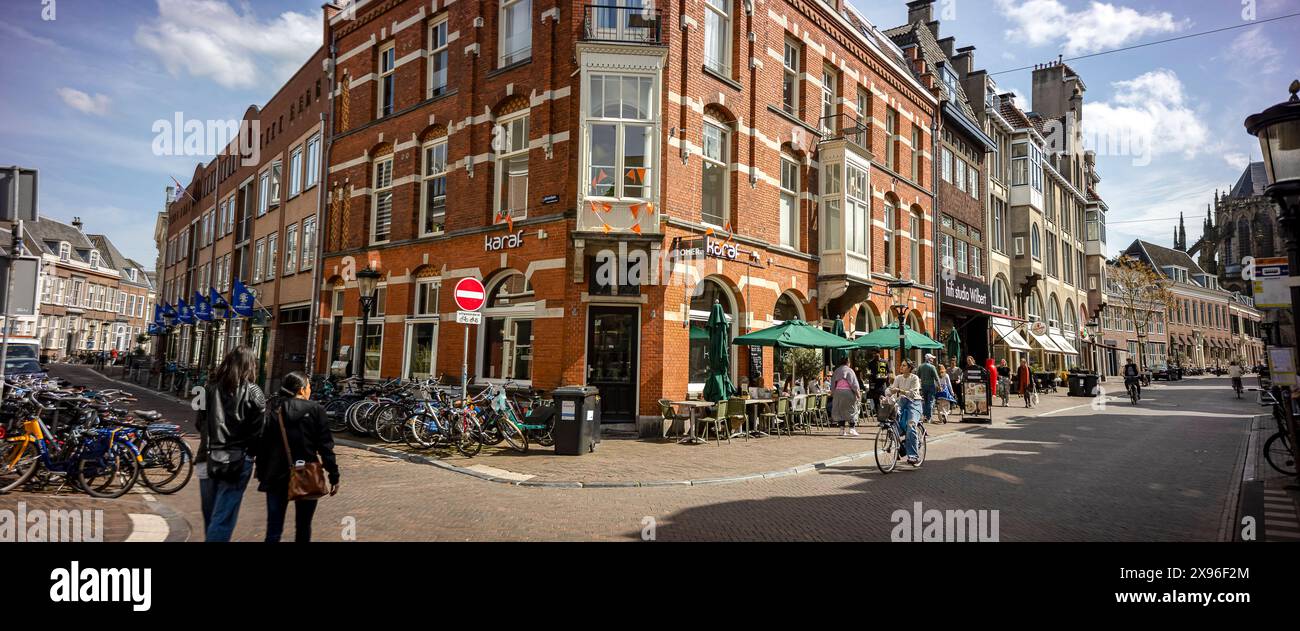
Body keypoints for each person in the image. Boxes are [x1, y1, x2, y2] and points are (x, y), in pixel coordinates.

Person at [257, 371, 340, 542]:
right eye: (309, 386)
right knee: (303, 526)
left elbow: (263, 445)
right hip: (306, 475)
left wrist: (261, 472)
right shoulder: (316, 410)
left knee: (273, 528)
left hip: (275, 476)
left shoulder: (274, 409)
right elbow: (326, 448)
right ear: (302, 390)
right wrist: (334, 475)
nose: (310, 390)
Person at [196, 347, 266, 542]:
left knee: (211, 518)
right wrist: (251, 454)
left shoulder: (205, 387)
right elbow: (258, 431)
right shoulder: (255, 392)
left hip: (206, 457)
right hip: (237, 459)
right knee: (223, 517)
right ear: (251, 365)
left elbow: (198, 421)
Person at [889, 360, 923, 466]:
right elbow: (891, 390)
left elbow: (913, 393)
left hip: (914, 403)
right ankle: (901, 448)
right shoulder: (898, 378)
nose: (901, 367)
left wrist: (900, 390)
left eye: (904, 365)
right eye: (901, 365)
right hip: (902, 402)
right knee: (892, 424)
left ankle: (913, 456)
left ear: (909, 368)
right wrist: (888, 392)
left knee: (911, 425)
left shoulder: (914, 378)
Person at [830, 355, 862, 437]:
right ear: (848, 362)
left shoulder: (837, 371)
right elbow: (854, 383)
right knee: (852, 409)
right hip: (848, 392)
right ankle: (852, 428)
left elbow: (833, 383)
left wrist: (833, 393)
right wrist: (858, 393)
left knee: (840, 410)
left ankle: (842, 430)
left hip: (838, 392)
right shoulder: (850, 370)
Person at [917, 353, 939, 423]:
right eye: (932, 358)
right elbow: (936, 377)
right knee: (930, 401)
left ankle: (925, 416)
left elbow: (918, 376)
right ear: (929, 359)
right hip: (931, 385)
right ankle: (929, 417)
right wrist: (940, 386)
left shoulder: (920, 366)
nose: (933, 360)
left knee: (925, 401)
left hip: (923, 385)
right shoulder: (932, 367)